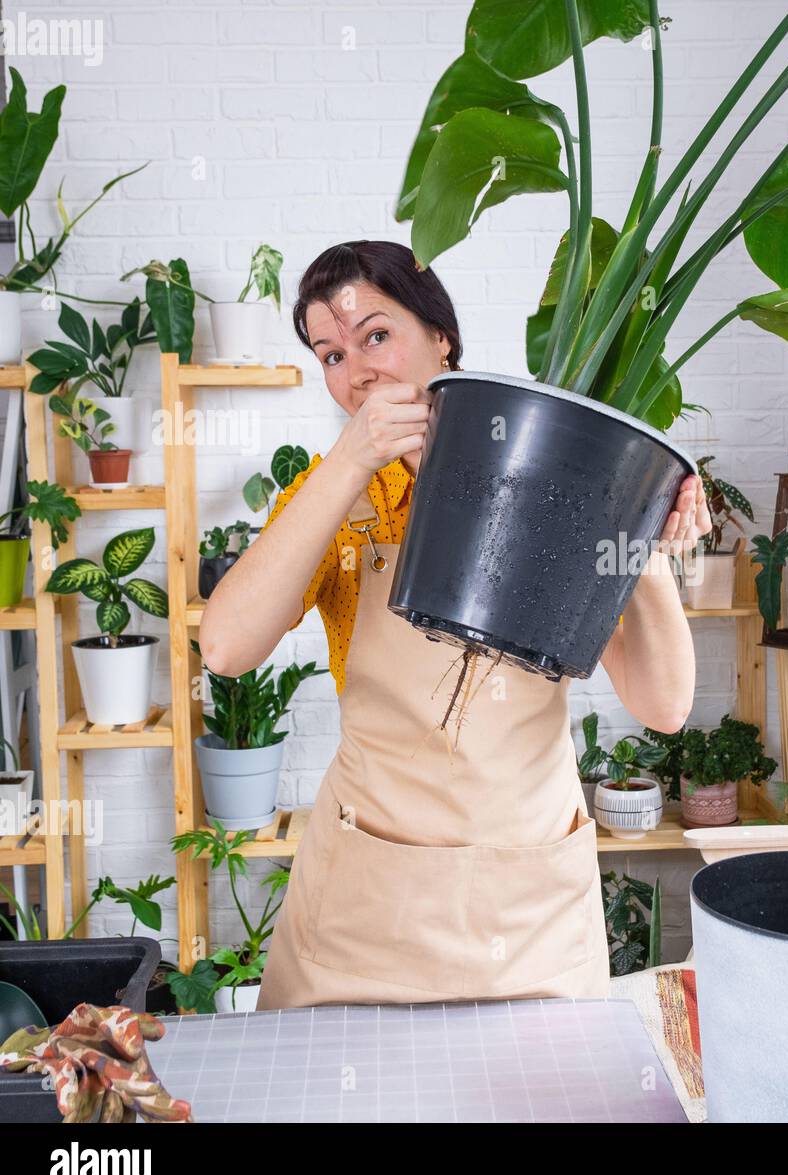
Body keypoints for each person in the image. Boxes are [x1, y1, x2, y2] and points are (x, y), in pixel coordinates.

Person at [199, 239, 710, 1009]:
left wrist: (644, 519)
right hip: (367, 905)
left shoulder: (554, 479)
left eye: (376, 335)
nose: (358, 372)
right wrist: (348, 464)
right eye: (331, 355)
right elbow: (228, 648)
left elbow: (663, 705)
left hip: (529, 895)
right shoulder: (335, 498)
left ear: (442, 336)